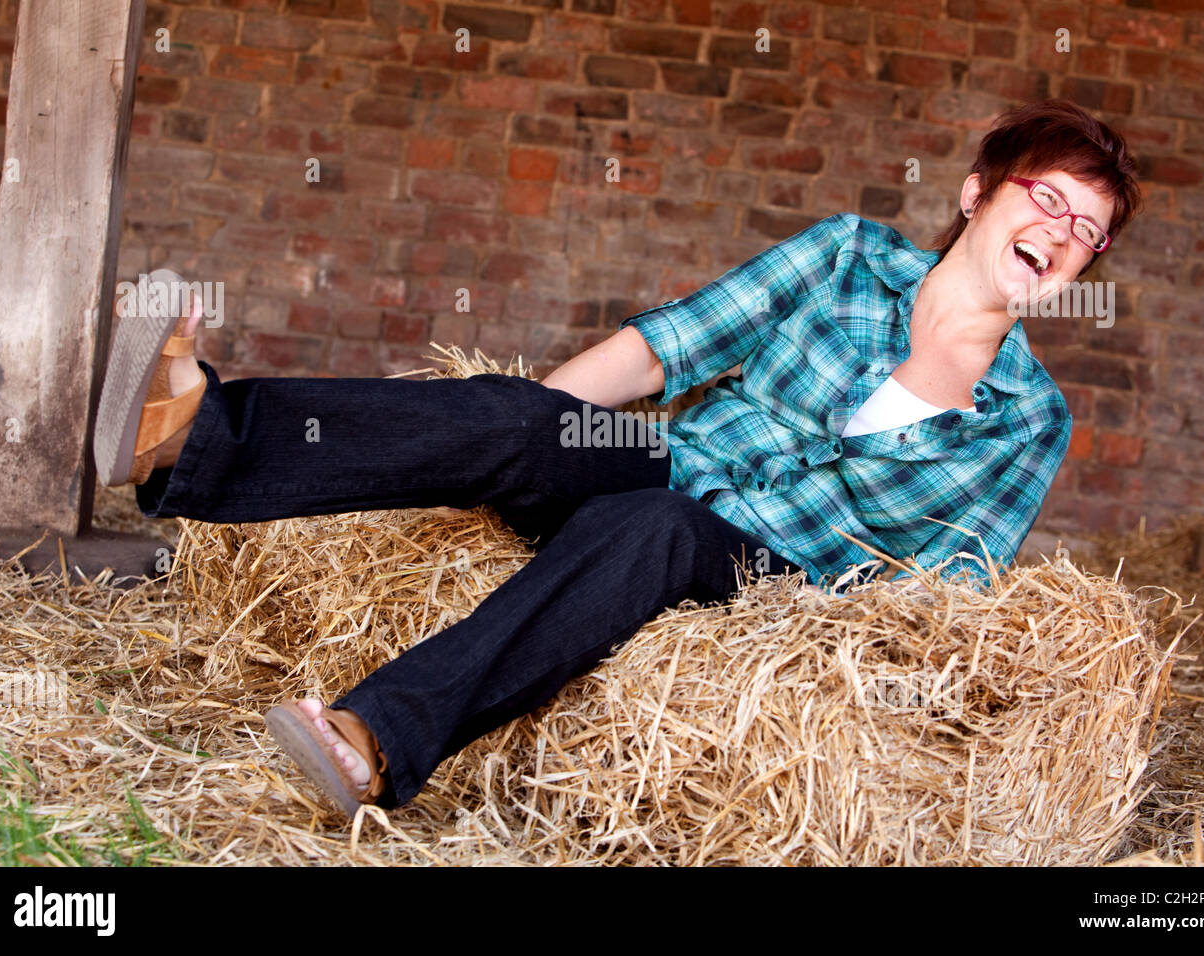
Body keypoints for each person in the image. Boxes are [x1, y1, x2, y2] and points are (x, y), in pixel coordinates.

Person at [93, 98, 1141, 816]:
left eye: (1087, 231)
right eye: (1045, 197)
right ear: (974, 194)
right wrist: (523, 437)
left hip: (776, 590)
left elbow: (953, 584)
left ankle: (372, 739)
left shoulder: (1025, 414)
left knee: (657, 528)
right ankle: (189, 436)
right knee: (533, 423)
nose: (1059, 232)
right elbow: (665, 347)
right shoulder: (846, 257)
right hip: (665, 468)